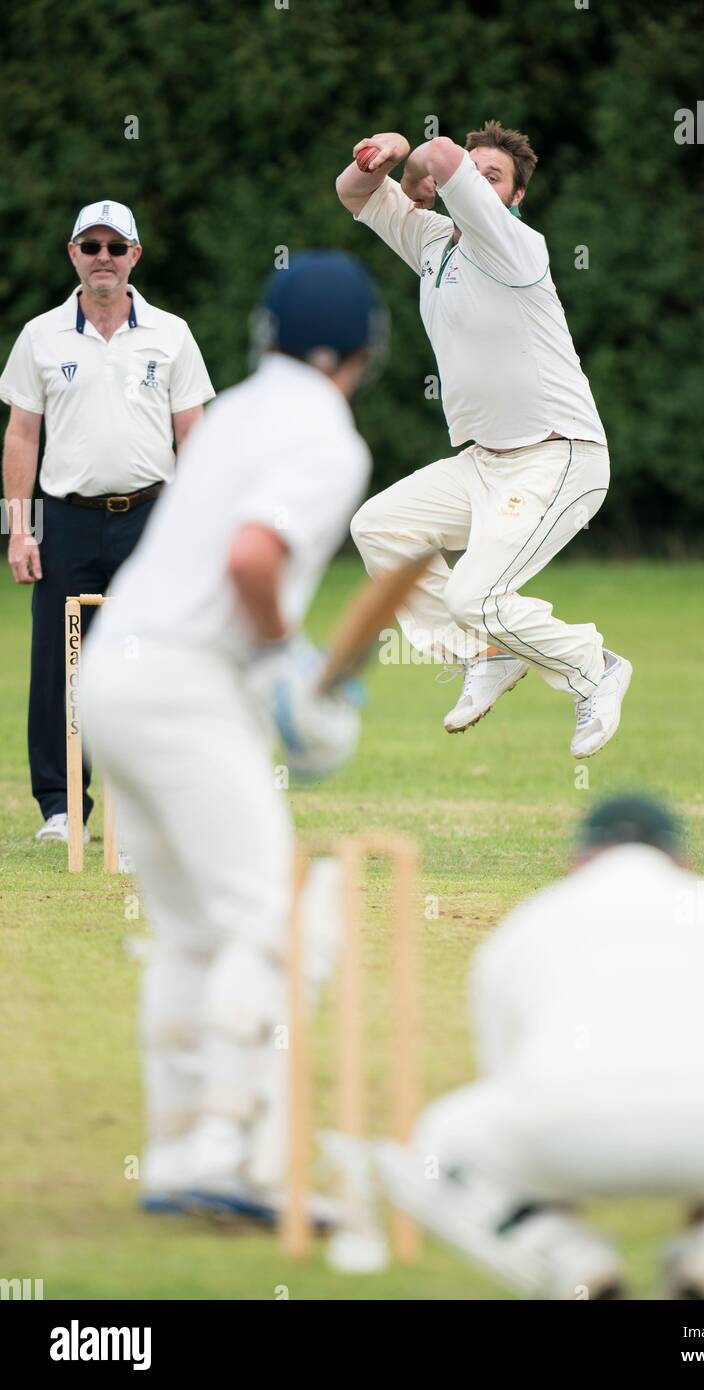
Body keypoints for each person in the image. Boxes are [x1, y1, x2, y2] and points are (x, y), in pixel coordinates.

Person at [80, 251, 387, 1223]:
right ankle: (229, 1148)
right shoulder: (325, 434)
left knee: (190, 929)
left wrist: (264, 673)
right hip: (183, 685)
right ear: (363, 353)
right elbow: (252, 557)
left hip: (111, 674)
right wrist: (281, 663)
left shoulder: (242, 411)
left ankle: (176, 1155)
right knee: (273, 922)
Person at [377, 795, 704, 1299]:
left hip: (558, 1128)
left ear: (578, 860)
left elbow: (504, 1072)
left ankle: (570, 1260)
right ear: (681, 861)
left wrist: (544, 1182)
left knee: (430, 1146)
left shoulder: (530, 919)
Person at [336, 121, 631, 761]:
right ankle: (486, 653)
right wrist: (382, 153)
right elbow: (353, 192)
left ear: (514, 197)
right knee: (378, 528)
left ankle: (595, 665)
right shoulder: (436, 241)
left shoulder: (515, 245)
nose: (470, 182)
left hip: (559, 458)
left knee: (476, 595)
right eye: (472, 173)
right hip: (483, 463)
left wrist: (413, 163)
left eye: (490, 177)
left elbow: (438, 157)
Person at [0, 199, 214, 844]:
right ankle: (63, 808)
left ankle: (159, 802)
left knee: (162, 657)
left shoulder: (171, 333)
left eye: (115, 248)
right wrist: (19, 527)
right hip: (66, 518)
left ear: (134, 257)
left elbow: (193, 434)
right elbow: (20, 436)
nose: (103, 259)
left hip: (152, 515)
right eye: (90, 247)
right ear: (73, 254)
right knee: (60, 664)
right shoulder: (40, 336)